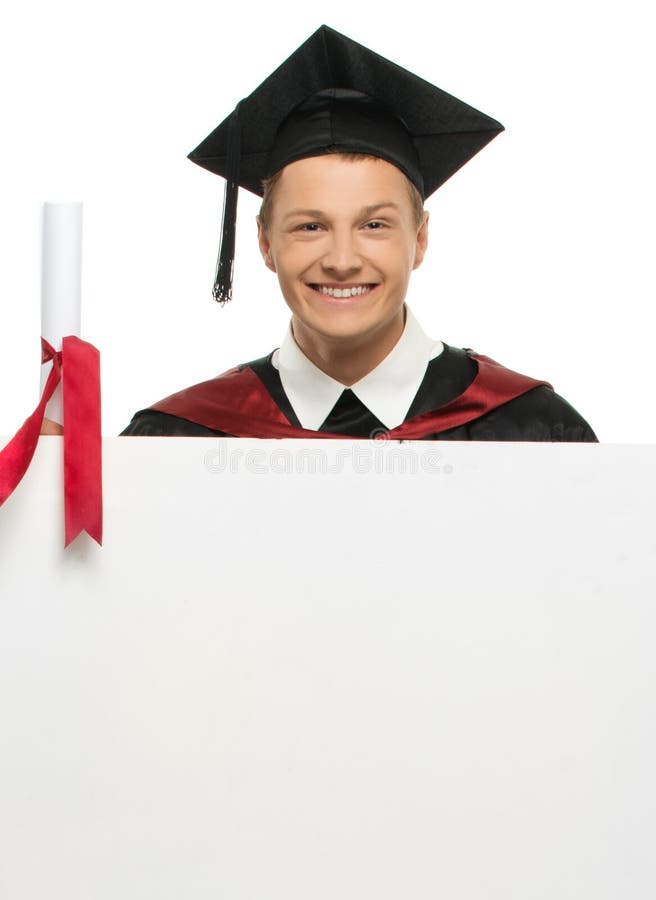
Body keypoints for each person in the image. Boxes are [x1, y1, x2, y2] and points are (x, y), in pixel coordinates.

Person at [121, 26, 596, 442]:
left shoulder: (531, 433)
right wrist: (50, 497)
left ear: (421, 237)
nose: (342, 259)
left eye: (374, 225)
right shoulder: (179, 440)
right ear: (265, 243)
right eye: (310, 226)